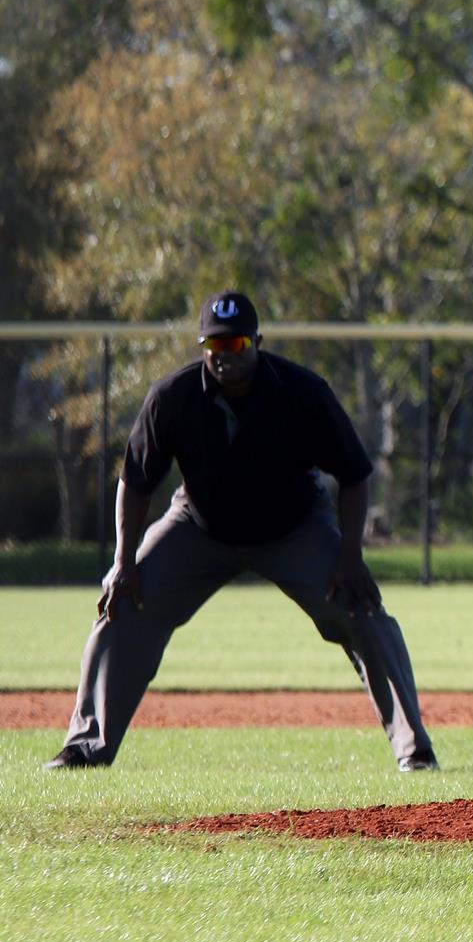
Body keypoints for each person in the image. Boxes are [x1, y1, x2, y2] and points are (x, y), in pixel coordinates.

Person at [44, 291, 438, 772]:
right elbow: (135, 482)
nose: (224, 356)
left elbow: (354, 475)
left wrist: (350, 558)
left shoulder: (303, 392)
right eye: (214, 345)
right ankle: (85, 748)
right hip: (200, 525)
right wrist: (123, 562)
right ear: (202, 346)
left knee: (363, 609)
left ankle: (414, 751)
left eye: (236, 345)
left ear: (258, 343)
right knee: (123, 602)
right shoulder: (173, 396)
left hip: (293, 527)